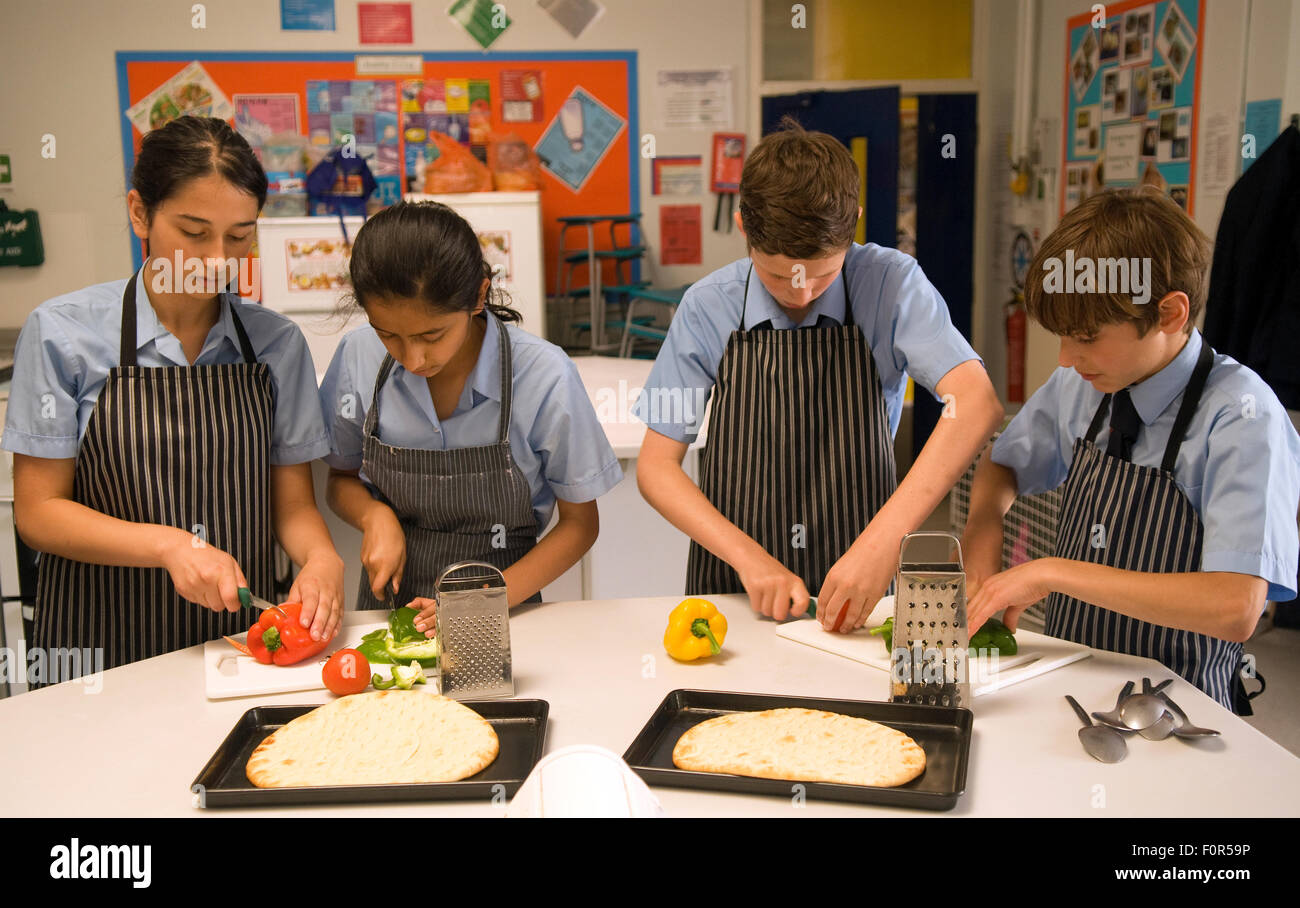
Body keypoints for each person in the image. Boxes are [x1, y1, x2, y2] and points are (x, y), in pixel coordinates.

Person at [5, 116, 344, 685]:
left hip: (238, 645)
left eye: (239, 236)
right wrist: (169, 546)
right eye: (193, 231)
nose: (218, 260)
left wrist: (323, 559)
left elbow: (293, 508)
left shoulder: (276, 345)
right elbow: (38, 513)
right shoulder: (62, 334)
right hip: (99, 644)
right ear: (140, 213)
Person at [634, 119, 1003, 632]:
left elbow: (976, 402)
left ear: (853, 221)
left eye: (823, 274)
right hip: (736, 588)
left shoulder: (892, 285)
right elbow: (657, 467)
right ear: (743, 227)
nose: (802, 295)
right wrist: (748, 558)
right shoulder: (705, 308)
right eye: (778, 276)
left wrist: (880, 547)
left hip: (860, 587)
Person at [963, 187, 1300, 711]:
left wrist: (1050, 571)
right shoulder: (1086, 382)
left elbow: (1236, 606)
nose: (1067, 358)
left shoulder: (1242, 417)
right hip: (1069, 688)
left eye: (1086, 337)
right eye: (1061, 337)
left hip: (1178, 709)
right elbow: (1003, 464)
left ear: (1169, 313)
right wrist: (983, 536)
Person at [319, 201, 621, 631]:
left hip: (506, 609)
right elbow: (340, 480)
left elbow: (580, 525)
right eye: (389, 335)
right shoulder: (357, 356)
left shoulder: (543, 374)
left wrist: (481, 604)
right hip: (389, 613)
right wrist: (374, 517)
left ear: (479, 296)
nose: (413, 357)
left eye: (432, 335)